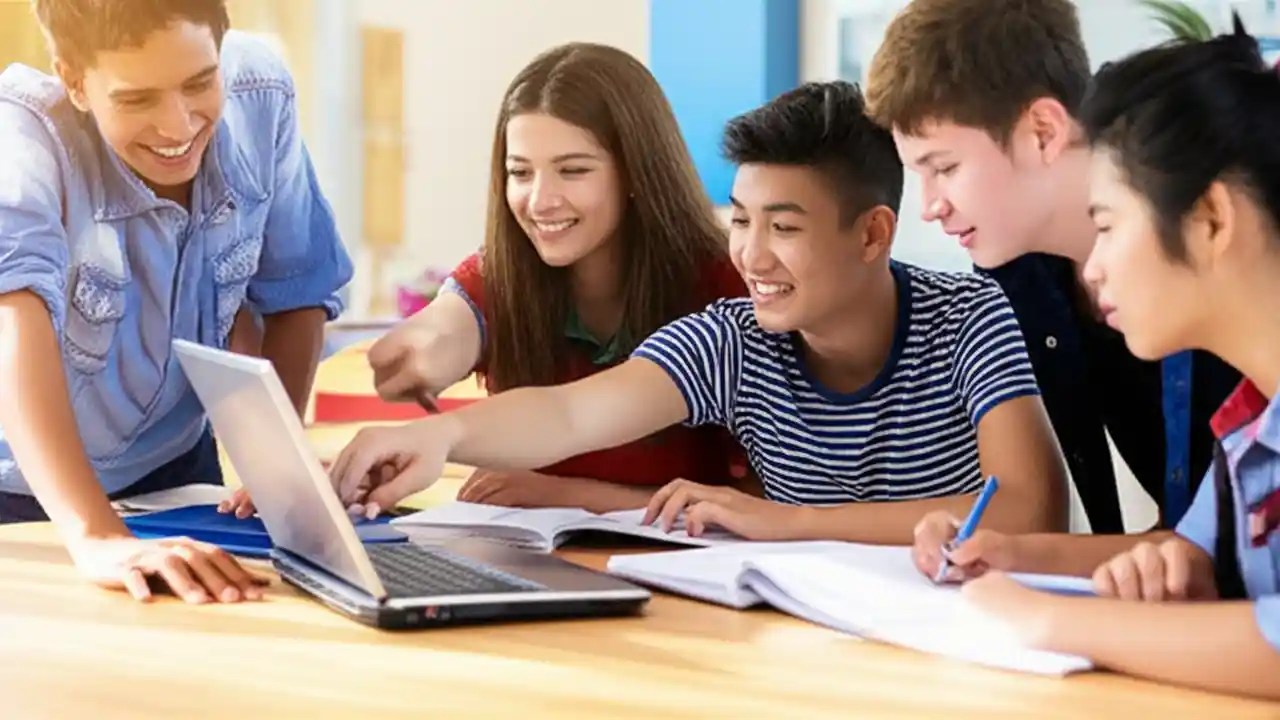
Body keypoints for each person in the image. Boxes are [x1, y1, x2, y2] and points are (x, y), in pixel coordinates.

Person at [328, 81, 1068, 545]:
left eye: (783, 227)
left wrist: (794, 523)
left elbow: (1028, 509)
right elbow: (569, 416)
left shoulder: (968, 317)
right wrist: (443, 434)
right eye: (740, 221)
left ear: (872, 233)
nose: (751, 255)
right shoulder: (733, 337)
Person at [955, 26, 1280, 700]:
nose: (1094, 268)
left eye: (1105, 225)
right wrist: (1013, 558)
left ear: (1211, 219)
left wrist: (1055, 620)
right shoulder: (1249, 429)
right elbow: (1189, 553)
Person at [0, 0, 352, 603]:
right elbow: (14, 314)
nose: (179, 126)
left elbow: (297, 290)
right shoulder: (24, 136)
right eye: (137, 99)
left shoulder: (260, 92)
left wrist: (275, 474)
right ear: (75, 81)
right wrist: (94, 535)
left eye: (199, 83)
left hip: (176, 472)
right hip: (24, 490)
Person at [864, 0, 1239, 534]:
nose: (929, 205)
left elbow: (1224, 548)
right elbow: (1185, 535)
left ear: (1043, 131)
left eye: (944, 168)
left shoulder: (1207, 247)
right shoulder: (1017, 272)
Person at [356, 43, 749, 514]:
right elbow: (451, 324)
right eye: (520, 173)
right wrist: (420, 349)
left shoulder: (729, 289)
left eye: (573, 171)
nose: (540, 201)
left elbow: (767, 501)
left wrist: (573, 497)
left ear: (636, 172)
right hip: (539, 558)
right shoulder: (503, 275)